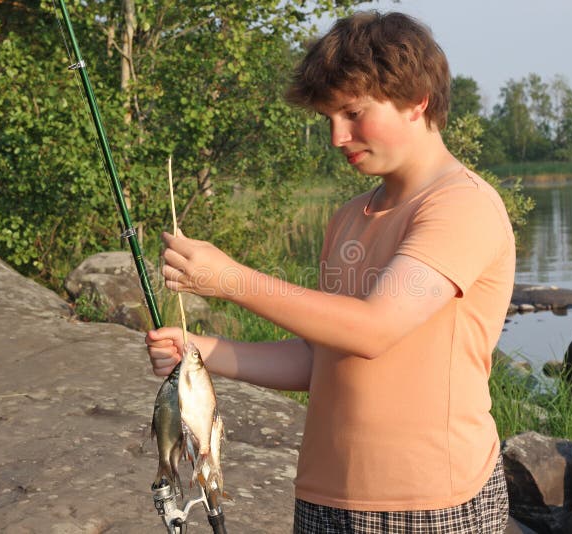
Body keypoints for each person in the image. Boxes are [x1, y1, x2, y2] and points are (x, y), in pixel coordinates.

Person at [146, 11, 514, 534]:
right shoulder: (347, 218)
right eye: (329, 119)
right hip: (326, 497)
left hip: (433, 503)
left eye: (353, 113)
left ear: (418, 101)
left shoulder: (462, 206)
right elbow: (319, 358)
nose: (338, 136)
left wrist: (230, 279)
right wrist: (197, 351)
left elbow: (373, 328)